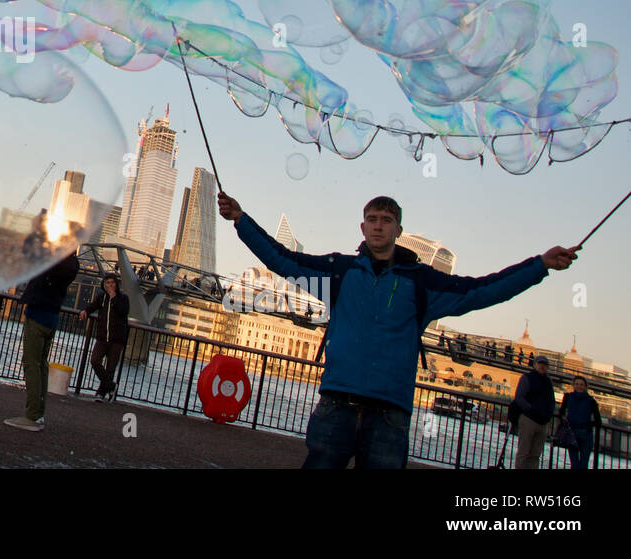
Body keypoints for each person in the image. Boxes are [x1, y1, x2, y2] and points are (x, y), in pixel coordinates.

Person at [217, 190, 577, 469]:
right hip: (336, 406)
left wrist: (539, 265)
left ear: (398, 230)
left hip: (389, 415)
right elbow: (282, 259)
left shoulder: (423, 283)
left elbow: (483, 289)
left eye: (386, 220)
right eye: (372, 219)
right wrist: (240, 219)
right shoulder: (339, 272)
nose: (378, 225)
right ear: (362, 227)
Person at [4, 237, 81, 432]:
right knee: (41, 364)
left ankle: (32, 416)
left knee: (31, 363)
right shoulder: (71, 264)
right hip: (51, 317)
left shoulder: (54, 262)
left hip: (38, 315)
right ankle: (39, 415)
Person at [79, 274, 130, 402]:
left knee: (110, 368)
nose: (110, 285)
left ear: (116, 284)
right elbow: (93, 305)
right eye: (107, 283)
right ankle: (111, 386)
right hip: (102, 338)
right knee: (95, 360)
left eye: (112, 283)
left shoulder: (123, 298)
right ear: (104, 285)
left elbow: (123, 311)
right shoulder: (101, 297)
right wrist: (86, 311)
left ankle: (101, 393)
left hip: (117, 339)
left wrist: (114, 299)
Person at [513, 355, 555, 469]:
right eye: (540, 363)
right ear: (535, 365)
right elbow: (519, 397)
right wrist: (531, 409)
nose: (542, 366)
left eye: (545, 365)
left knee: (536, 454)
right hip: (529, 419)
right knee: (524, 451)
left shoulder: (548, 382)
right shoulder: (527, 378)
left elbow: (552, 400)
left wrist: (549, 414)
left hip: (542, 422)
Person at [557, 375, 601, 470]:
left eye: (581, 384)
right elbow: (561, 412)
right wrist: (563, 417)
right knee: (574, 463)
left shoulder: (591, 401)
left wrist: (589, 424)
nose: (579, 386)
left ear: (585, 386)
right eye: (576, 384)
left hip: (586, 435)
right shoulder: (568, 397)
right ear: (573, 385)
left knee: (584, 464)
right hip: (572, 434)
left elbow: (598, 420)